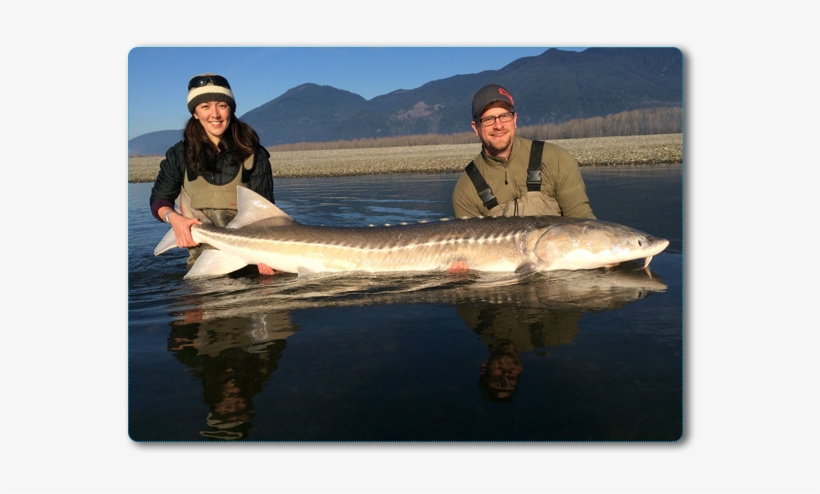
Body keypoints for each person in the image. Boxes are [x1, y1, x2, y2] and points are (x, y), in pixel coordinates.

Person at [149, 74, 276, 275]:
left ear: (231, 109)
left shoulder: (255, 155)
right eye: (205, 106)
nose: (215, 114)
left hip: (249, 263)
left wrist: (273, 259)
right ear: (195, 113)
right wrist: (173, 218)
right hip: (202, 264)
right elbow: (159, 200)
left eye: (222, 106)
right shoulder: (179, 155)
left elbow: (266, 217)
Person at [452, 84, 596, 219]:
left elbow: (583, 223)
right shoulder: (466, 189)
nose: (498, 125)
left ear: (514, 119)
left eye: (504, 116)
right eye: (488, 119)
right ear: (475, 127)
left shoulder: (556, 159)